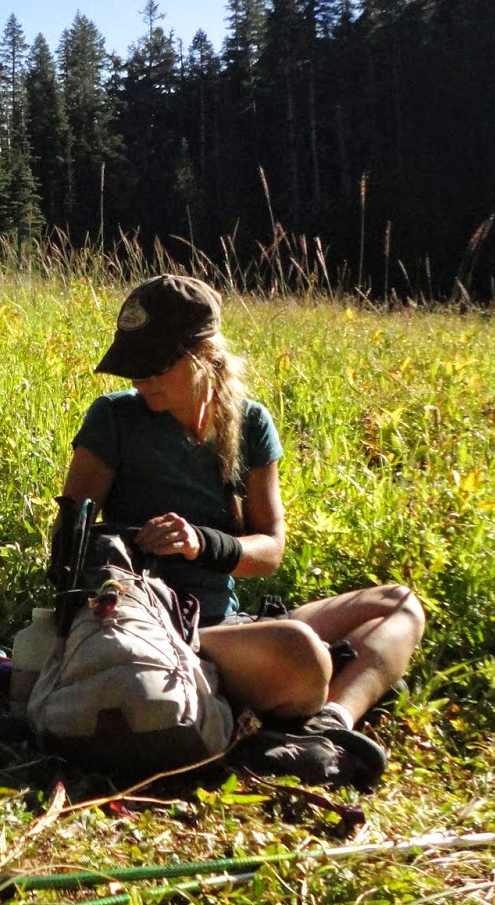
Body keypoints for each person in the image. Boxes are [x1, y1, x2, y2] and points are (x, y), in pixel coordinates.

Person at [60, 274, 425, 745]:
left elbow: (270, 551)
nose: (139, 380)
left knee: (399, 604)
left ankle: (331, 724)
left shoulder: (250, 423)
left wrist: (201, 544)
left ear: (206, 356)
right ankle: (298, 700)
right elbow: (70, 548)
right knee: (305, 654)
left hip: (228, 627)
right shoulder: (112, 418)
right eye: (132, 366)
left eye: (153, 366)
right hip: (154, 627)